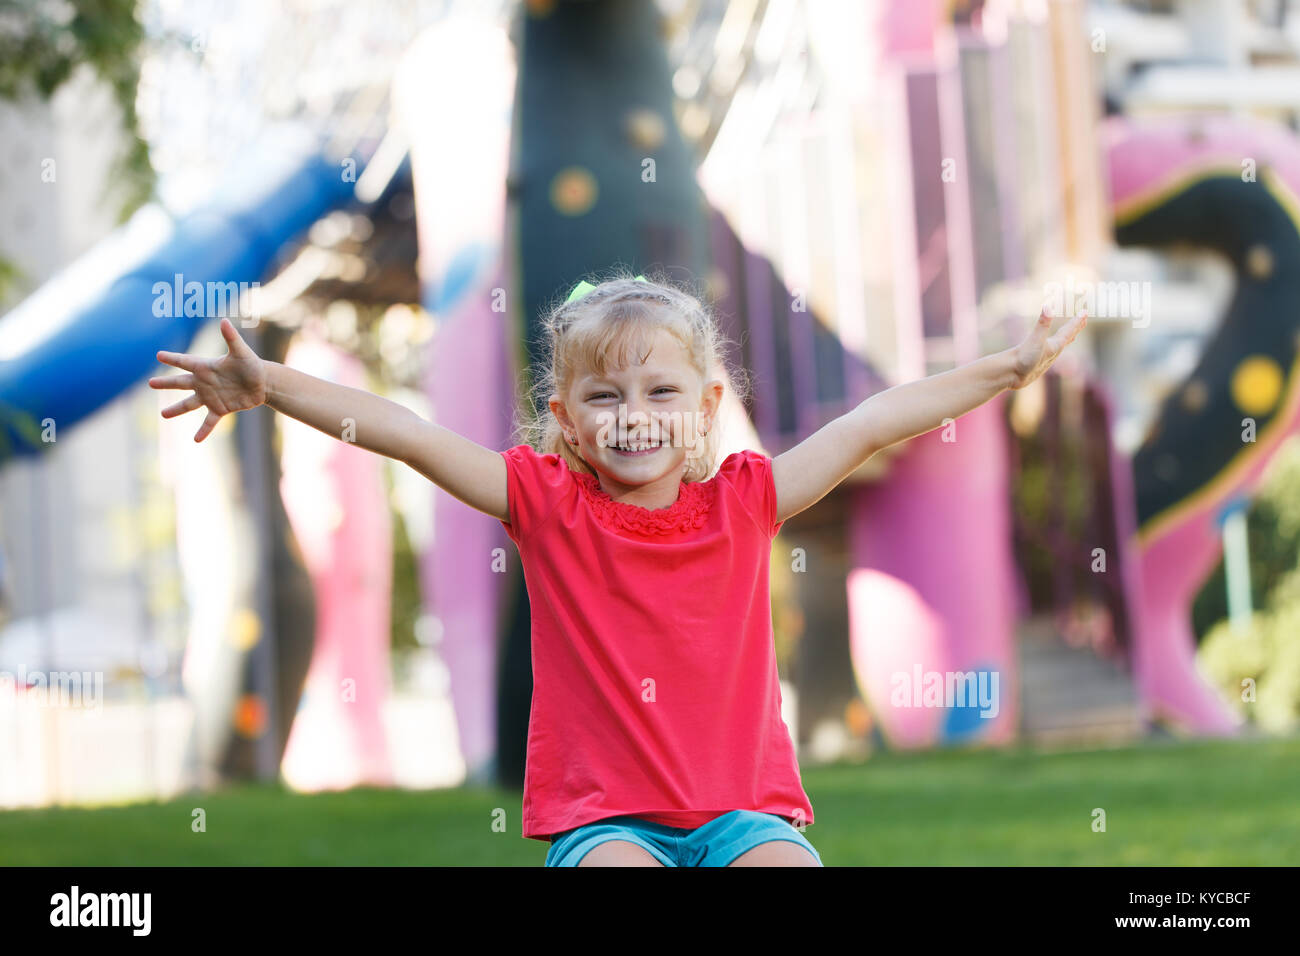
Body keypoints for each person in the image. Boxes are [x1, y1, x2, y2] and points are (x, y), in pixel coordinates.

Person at [151, 271, 1085, 866]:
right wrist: (270, 384)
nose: (633, 413)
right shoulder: (544, 504)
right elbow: (405, 434)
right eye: (604, 395)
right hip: (607, 828)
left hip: (744, 818)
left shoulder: (746, 502)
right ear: (566, 419)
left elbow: (876, 420)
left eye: (661, 391)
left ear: (706, 406)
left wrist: (1006, 369)